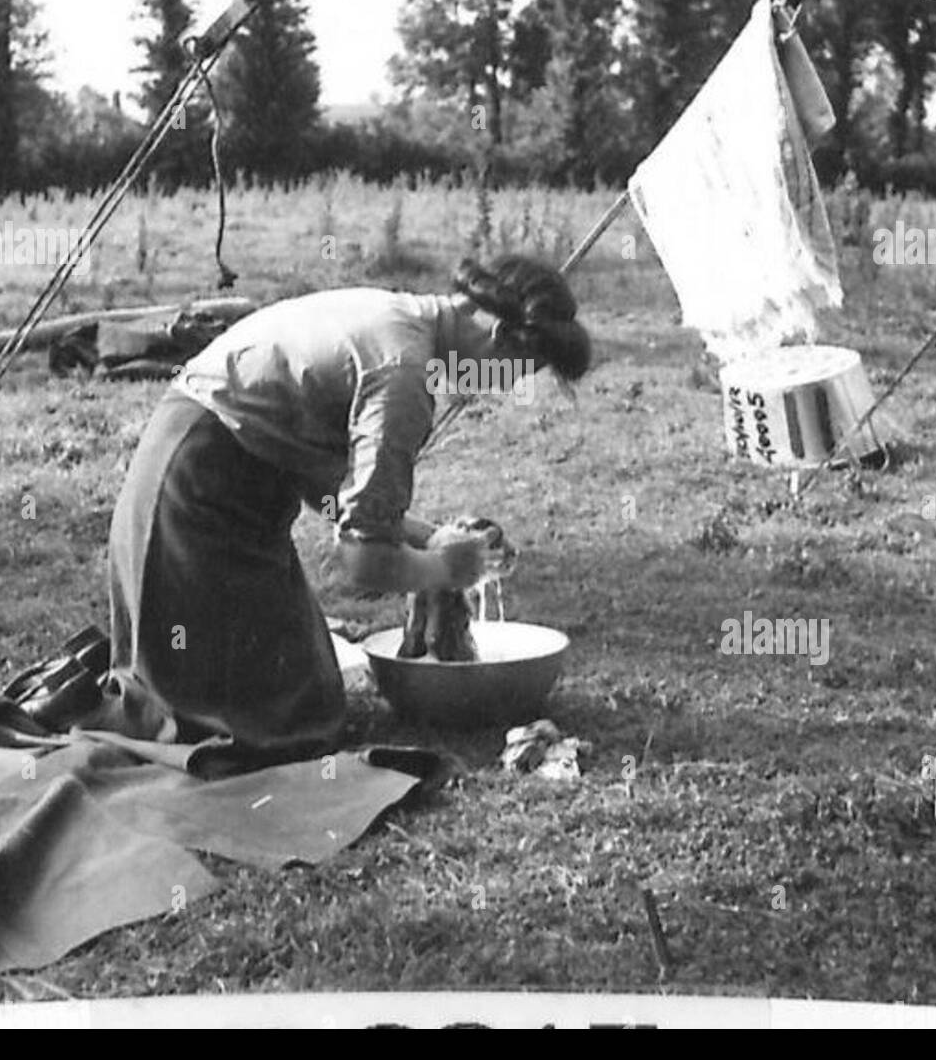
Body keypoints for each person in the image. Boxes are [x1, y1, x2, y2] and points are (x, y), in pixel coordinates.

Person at [100, 255, 592, 763]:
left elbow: (338, 497)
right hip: (191, 497)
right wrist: (445, 570)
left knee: (306, 688)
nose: (501, 386)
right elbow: (365, 560)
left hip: (205, 471)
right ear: (495, 330)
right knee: (279, 724)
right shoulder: (403, 375)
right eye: (510, 370)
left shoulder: (400, 315)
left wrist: (430, 539)